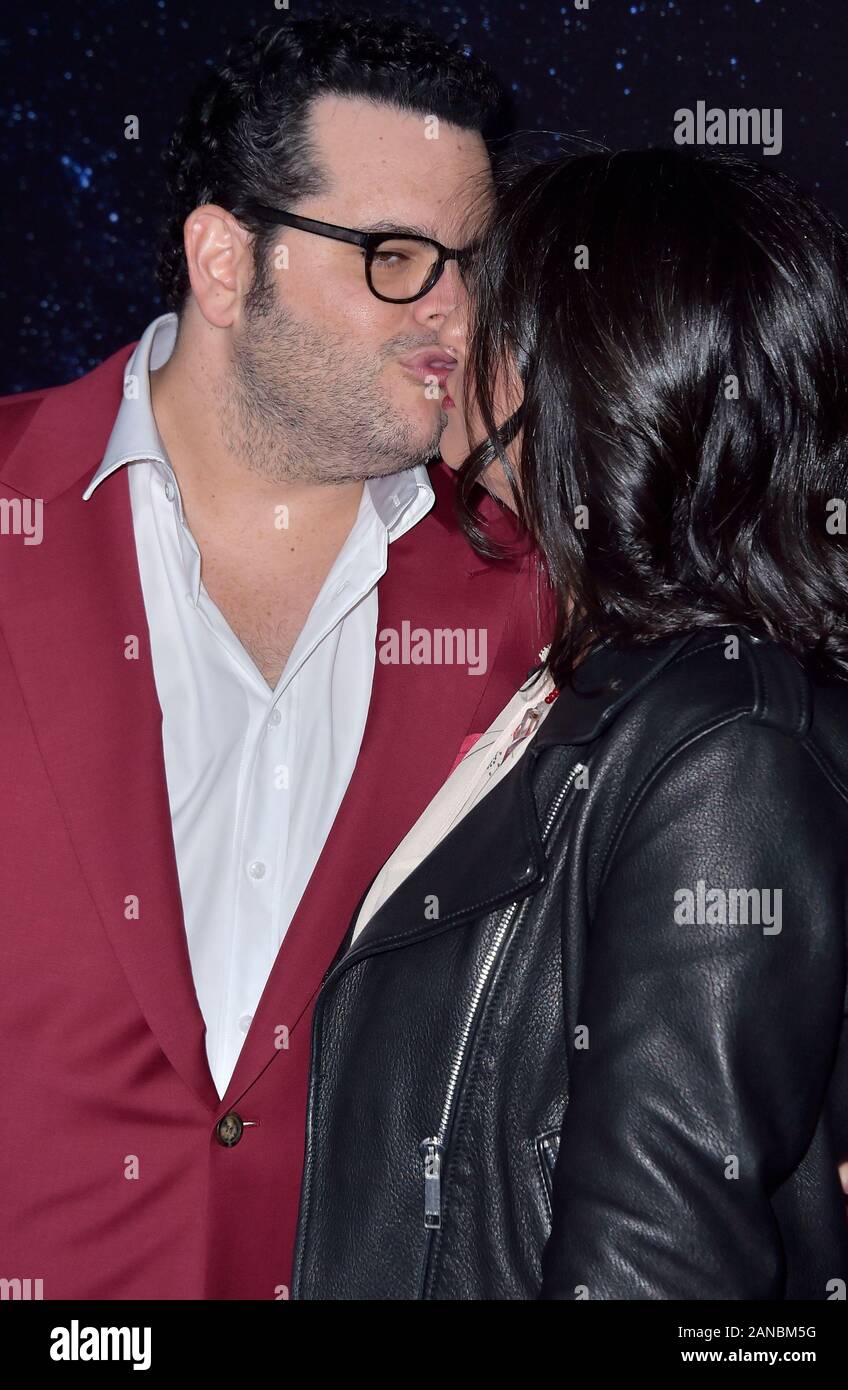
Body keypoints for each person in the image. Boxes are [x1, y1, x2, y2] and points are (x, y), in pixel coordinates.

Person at [0, 17, 549, 1299]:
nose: (454, 316)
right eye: (398, 258)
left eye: (475, 265)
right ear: (221, 259)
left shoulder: (530, 599)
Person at [291, 148, 848, 1299]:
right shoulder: (610, 691)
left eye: (499, 307)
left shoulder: (724, 750)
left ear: (610, 369)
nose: (449, 326)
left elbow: (662, 1270)